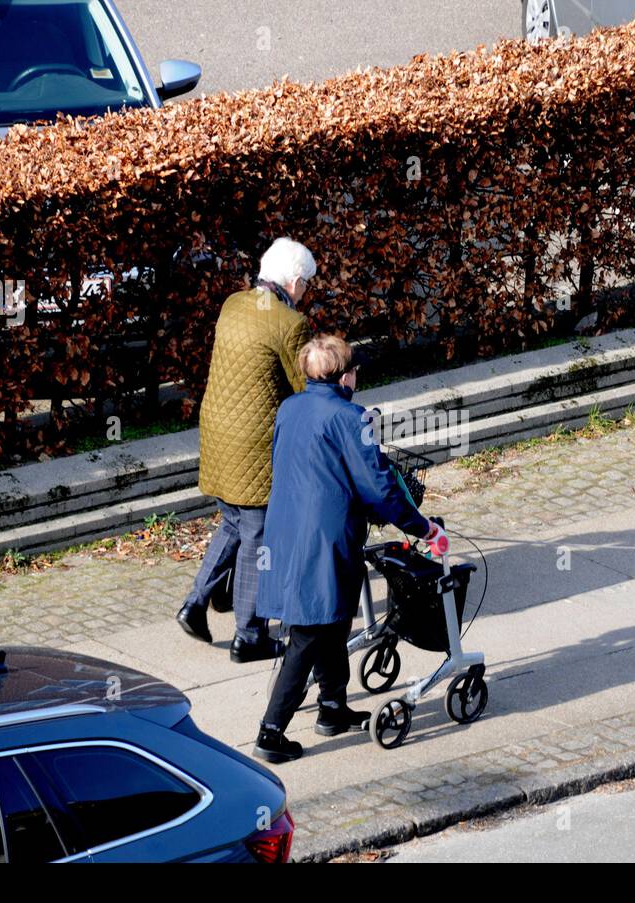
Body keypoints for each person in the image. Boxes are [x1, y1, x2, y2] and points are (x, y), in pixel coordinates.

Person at [252, 335, 449, 763]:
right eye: (356, 370)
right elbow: (379, 487)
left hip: (287, 529)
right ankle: (270, 733)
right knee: (307, 632)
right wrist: (423, 527)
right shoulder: (351, 417)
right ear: (345, 375)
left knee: (334, 621)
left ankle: (332, 707)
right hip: (324, 538)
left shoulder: (291, 408)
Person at [175, 238, 315, 663]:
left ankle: (195, 604)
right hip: (253, 445)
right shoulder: (289, 325)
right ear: (293, 282)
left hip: (218, 434)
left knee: (234, 522)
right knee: (257, 537)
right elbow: (305, 387)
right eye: (307, 283)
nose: (307, 291)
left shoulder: (233, 305)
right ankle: (249, 635)